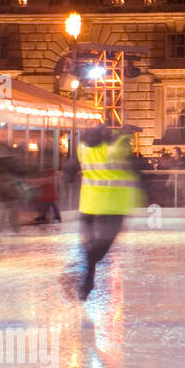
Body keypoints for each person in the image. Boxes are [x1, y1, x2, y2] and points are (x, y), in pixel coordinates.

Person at [64, 124, 143, 300]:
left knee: (89, 244)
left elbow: (69, 167)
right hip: (113, 206)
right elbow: (135, 168)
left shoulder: (82, 148)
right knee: (101, 246)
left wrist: (68, 177)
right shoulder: (116, 147)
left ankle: (85, 277)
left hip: (88, 205)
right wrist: (124, 134)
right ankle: (83, 276)